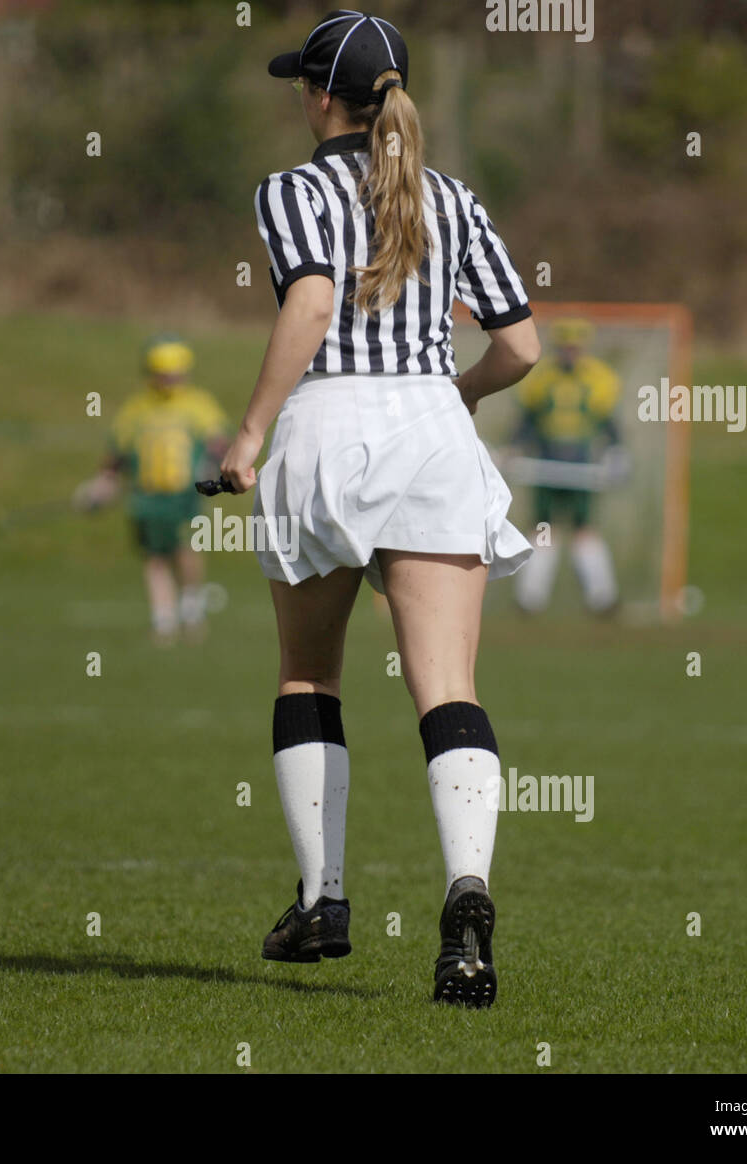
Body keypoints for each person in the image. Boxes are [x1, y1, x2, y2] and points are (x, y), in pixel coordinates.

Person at [217, 10, 540, 1007]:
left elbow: (312, 303)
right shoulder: (452, 196)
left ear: (320, 95)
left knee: (309, 673)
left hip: (328, 430)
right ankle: (467, 895)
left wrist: (247, 434)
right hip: (433, 432)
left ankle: (322, 899)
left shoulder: (293, 189)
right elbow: (522, 346)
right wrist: (459, 395)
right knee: (448, 687)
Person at [75, 336, 229, 645]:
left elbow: (218, 442)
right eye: (164, 373)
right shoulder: (137, 408)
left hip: (185, 495)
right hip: (146, 496)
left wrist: (215, 466)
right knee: (155, 557)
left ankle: (191, 611)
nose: (171, 380)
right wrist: (102, 483)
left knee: (186, 550)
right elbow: (117, 452)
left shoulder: (198, 404)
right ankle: (164, 621)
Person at [509, 317, 626, 615]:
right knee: (544, 527)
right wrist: (514, 447)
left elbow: (608, 422)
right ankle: (530, 597)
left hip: (581, 470)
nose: (570, 353)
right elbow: (528, 422)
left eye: (575, 347)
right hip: (546, 467)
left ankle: (601, 597)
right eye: (565, 347)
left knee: (584, 528)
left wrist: (616, 450)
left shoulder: (598, 378)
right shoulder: (541, 378)